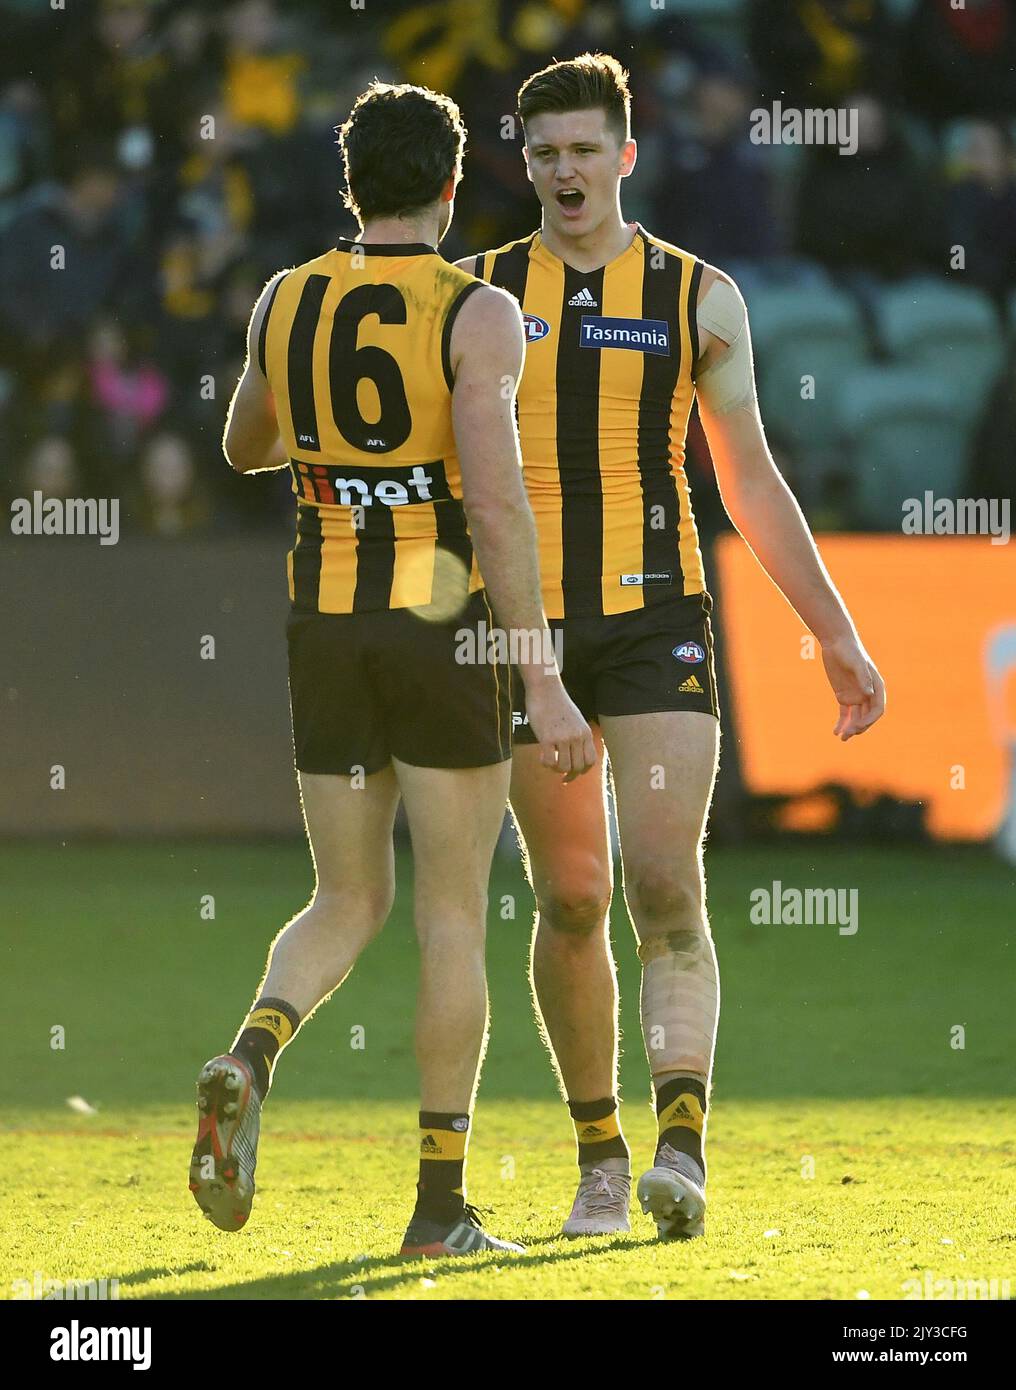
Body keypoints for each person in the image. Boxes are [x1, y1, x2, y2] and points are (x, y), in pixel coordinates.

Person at [459, 52, 886, 1241]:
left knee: (661, 881)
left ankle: (681, 1145)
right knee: (574, 896)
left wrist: (834, 632)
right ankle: (599, 1152)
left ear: (626, 156)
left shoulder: (698, 294)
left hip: (658, 619)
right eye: (543, 153)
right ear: (527, 162)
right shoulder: (482, 294)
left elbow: (748, 478)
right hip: (530, 630)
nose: (564, 172)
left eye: (585, 149)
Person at [189, 79, 594, 1258]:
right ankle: (437, 1208)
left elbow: (241, 445)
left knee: (343, 896)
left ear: (350, 183)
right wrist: (542, 672)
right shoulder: (476, 313)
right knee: (451, 912)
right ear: (459, 186)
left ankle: (251, 1048)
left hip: (322, 622)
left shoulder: (285, 298)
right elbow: (499, 503)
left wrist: (334, 452)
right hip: (439, 626)